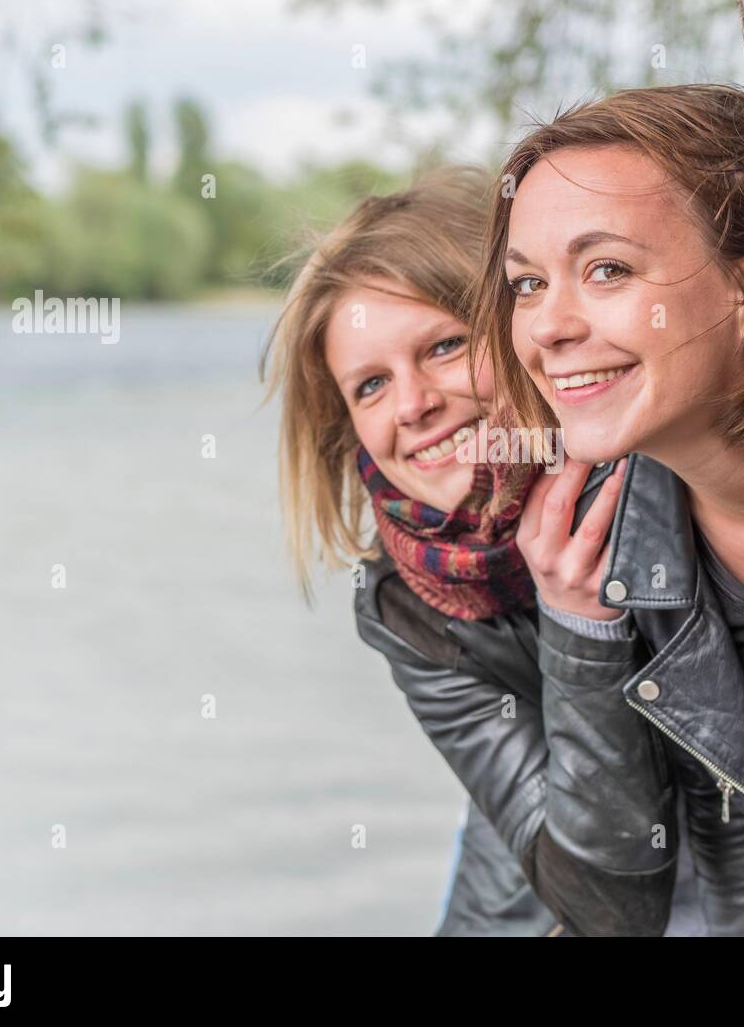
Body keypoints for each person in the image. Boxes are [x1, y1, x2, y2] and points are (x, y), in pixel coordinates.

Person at [469, 83, 744, 936]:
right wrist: (578, 630)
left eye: (608, 270)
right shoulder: (598, 544)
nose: (548, 326)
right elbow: (612, 894)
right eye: (526, 284)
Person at [261, 167, 676, 936]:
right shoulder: (406, 602)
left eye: (446, 345)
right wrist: (576, 622)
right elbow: (607, 905)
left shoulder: (656, 475)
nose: (414, 404)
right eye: (372, 386)